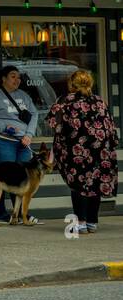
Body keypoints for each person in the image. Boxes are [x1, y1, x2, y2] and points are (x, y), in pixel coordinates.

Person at [46, 70, 117, 234]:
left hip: (76, 151)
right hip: (101, 151)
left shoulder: (64, 101)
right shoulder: (100, 101)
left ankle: (81, 222)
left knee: (78, 186)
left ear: (72, 84)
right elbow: (110, 127)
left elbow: (54, 125)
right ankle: (92, 221)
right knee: (96, 183)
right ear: (90, 83)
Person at [0, 65, 38, 222]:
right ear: (3, 78)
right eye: (13, 76)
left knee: (22, 179)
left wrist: (29, 134)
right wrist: (3, 127)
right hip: (1, 141)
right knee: (3, 177)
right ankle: (0, 213)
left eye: (19, 77)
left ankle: (19, 214)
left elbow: (34, 114)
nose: (17, 80)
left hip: (23, 142)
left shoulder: (24, 96)